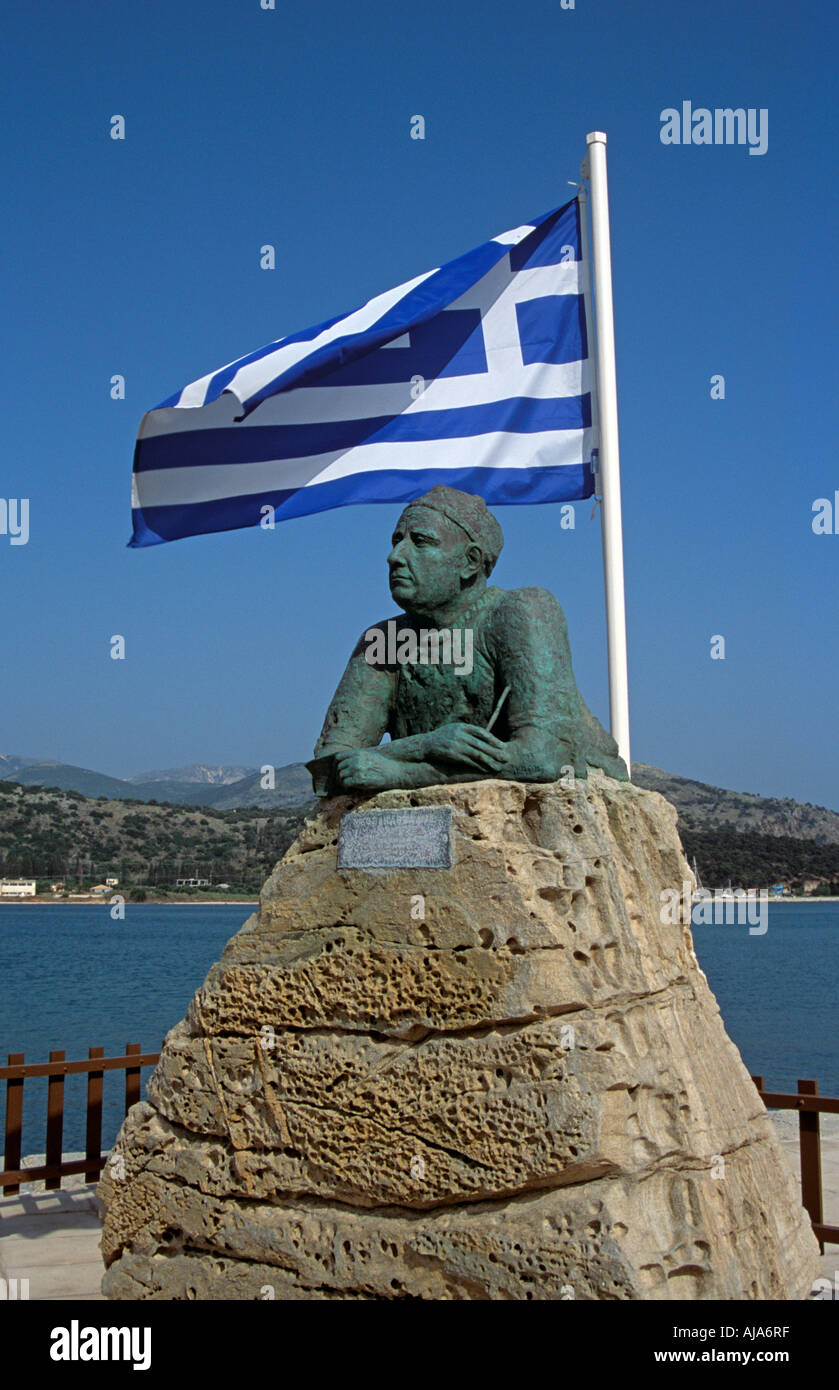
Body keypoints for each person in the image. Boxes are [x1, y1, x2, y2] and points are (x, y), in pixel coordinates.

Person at [309, 484, 627, 794]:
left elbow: (544, 757)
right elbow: (327, 770)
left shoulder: (521, 612)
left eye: (420, 541)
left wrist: (401, 773)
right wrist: (427, 744)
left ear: (470, 562)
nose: (395, 556)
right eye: (396, 541)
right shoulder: (385, 641)